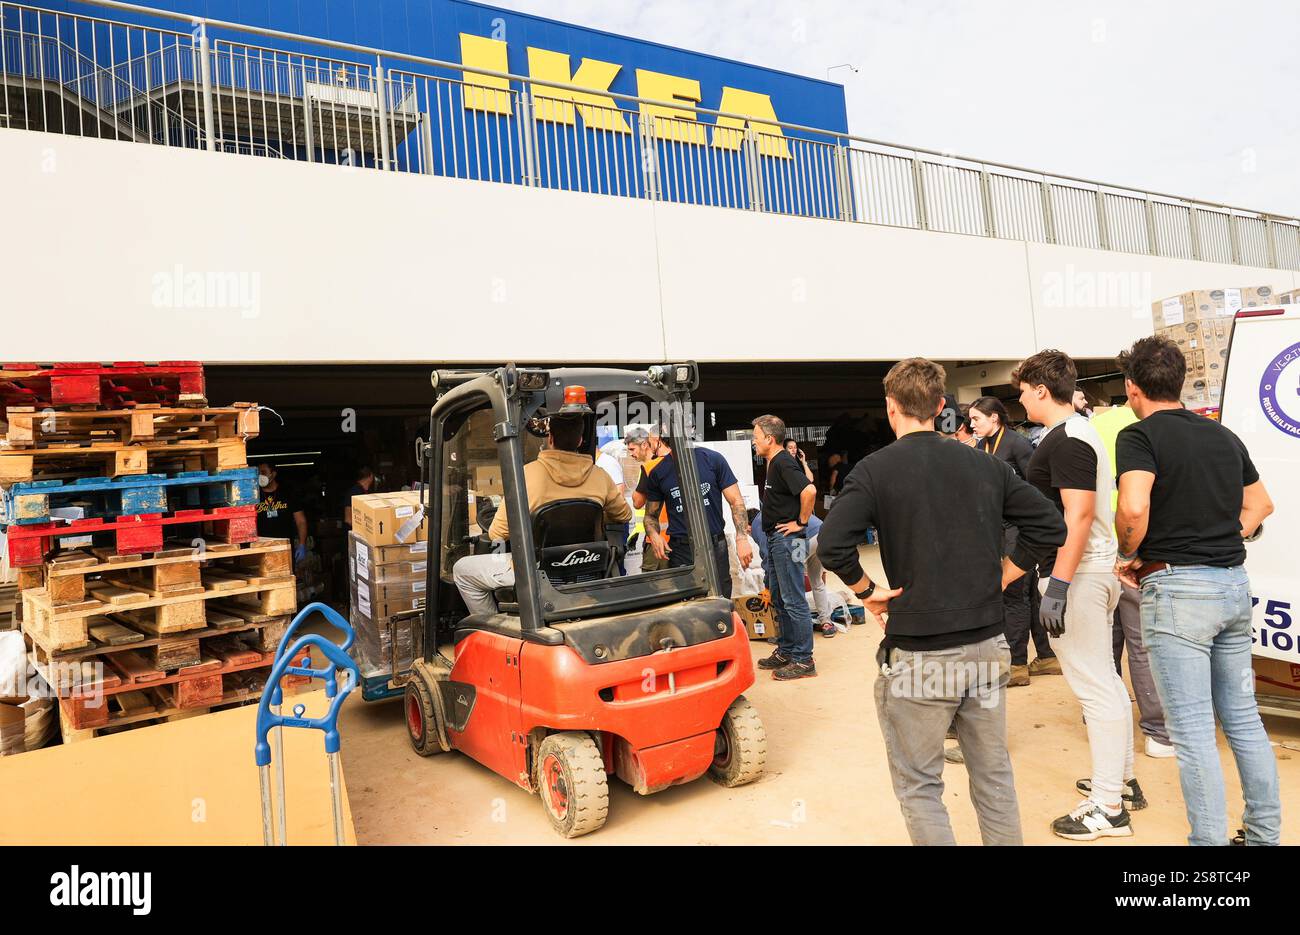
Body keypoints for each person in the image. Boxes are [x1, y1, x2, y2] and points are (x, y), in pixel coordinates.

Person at [818, 358, 1066, 846]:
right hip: (987, 647)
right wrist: (1006, 573)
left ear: (891, 408)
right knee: (993, 775)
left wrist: (869, 594)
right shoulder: (986, 465)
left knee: (920, 784)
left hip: (920, 655)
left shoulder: (874, 471)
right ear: (939, 406)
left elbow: (832, 545)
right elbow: (1050, 526)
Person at [1113, 336, 1280, 846]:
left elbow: (1134, 508)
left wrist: (1127, 554)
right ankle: (1262, 837)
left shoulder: (1138, 436)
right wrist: (1222, 534)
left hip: (1176, 590)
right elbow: (1260, 508)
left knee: (1191, 734)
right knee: (1244, 723)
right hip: (1231, 586)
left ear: (1131, 386)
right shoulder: (1222, 436)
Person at [1014, 350, 1140, 840]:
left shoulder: (1068, 438)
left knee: (1094, 687)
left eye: (1023, 389)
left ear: (1041, 389)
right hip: (1089, 573)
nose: (1020, 398)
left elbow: (1079, 516)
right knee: (1105, 680)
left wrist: (1059, 585)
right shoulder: (1076, 432)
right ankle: (1121, 783)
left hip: (1080, 576)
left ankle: (1108, 807)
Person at [451, 415, 632, 617]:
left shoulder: (526, 475)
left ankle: (492, 627)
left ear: (550, 439)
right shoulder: (600, 475)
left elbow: (497, 534)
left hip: (536, 570)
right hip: (588, 566)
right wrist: (592, 516)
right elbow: (623, 515)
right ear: (580, 440)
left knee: (462, 570)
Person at [1090, 401, 1173, 759]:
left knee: (1105, 640)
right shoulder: (1151, 429)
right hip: (1134, 550)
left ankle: (1102, 712)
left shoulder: (1097, 426)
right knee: (1141, 645)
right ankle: (1158, 731)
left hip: (1096, 550)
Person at [969, 396, 1060, 686]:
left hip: (1018, 529)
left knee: (1013, 593)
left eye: (976, 419)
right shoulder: (982, 445)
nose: (971, 424)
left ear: (994, 418)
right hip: (999, 528)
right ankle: (1045, 656)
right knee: (1028, 594)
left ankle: (1017, 663)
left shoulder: (1017, 444)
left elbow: (1038, 485)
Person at [751, 415, 819, 680]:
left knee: (794, 599)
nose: (754, 442)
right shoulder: (774, 463)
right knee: (780, 597)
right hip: (780, 539)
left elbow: (809, 491)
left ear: (769, 438)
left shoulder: (782, 462)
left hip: (789, 540)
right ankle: (787, 650)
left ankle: (804, 660)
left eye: (756, 437)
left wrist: (800, 522)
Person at [638, 442, 751, 599]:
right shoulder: (659, 471)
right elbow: (650, 516)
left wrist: (742, 538)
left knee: (721, 599)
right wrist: (654, 535)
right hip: (682, 549)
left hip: (715, 544)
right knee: (689, 605)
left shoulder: (712, 460)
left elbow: (736, 501)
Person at [751, 508, 835, 637]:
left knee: (794, 583)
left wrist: (768, 587)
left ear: (747, 525)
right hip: (823, 533)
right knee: (817, 582)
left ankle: (799, 628)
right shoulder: (771, 512)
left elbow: (768, 555)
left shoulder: (757, 523)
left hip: (802, 539)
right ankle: (826, 623)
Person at [625, 426, 672, 572]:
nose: (631, 454)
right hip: (673, 537)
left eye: (632, 449)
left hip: (658, 539)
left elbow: (637, 502)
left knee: (654, 585)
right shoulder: (669, 463)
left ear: (645, 444)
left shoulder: (650, 468)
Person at [256, 462, 309, 564]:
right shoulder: (253, 494)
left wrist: (302, 544)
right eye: (258, 473)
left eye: (263, 472)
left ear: (273, 474)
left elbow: (301, 521)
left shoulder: (288, 493)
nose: (260, 476)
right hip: (261, 548)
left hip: (285, 547)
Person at [595, 443, 630, 574]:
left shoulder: (607, 463)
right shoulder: (596, 464)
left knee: (615, 563)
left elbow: (619, 495)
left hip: (614, 525)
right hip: (605, 524)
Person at [342, 465, 375, 529]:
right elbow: (348, 519)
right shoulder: (353, 492)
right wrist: (361, 531)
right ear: (371, 476)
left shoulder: (368, 492)